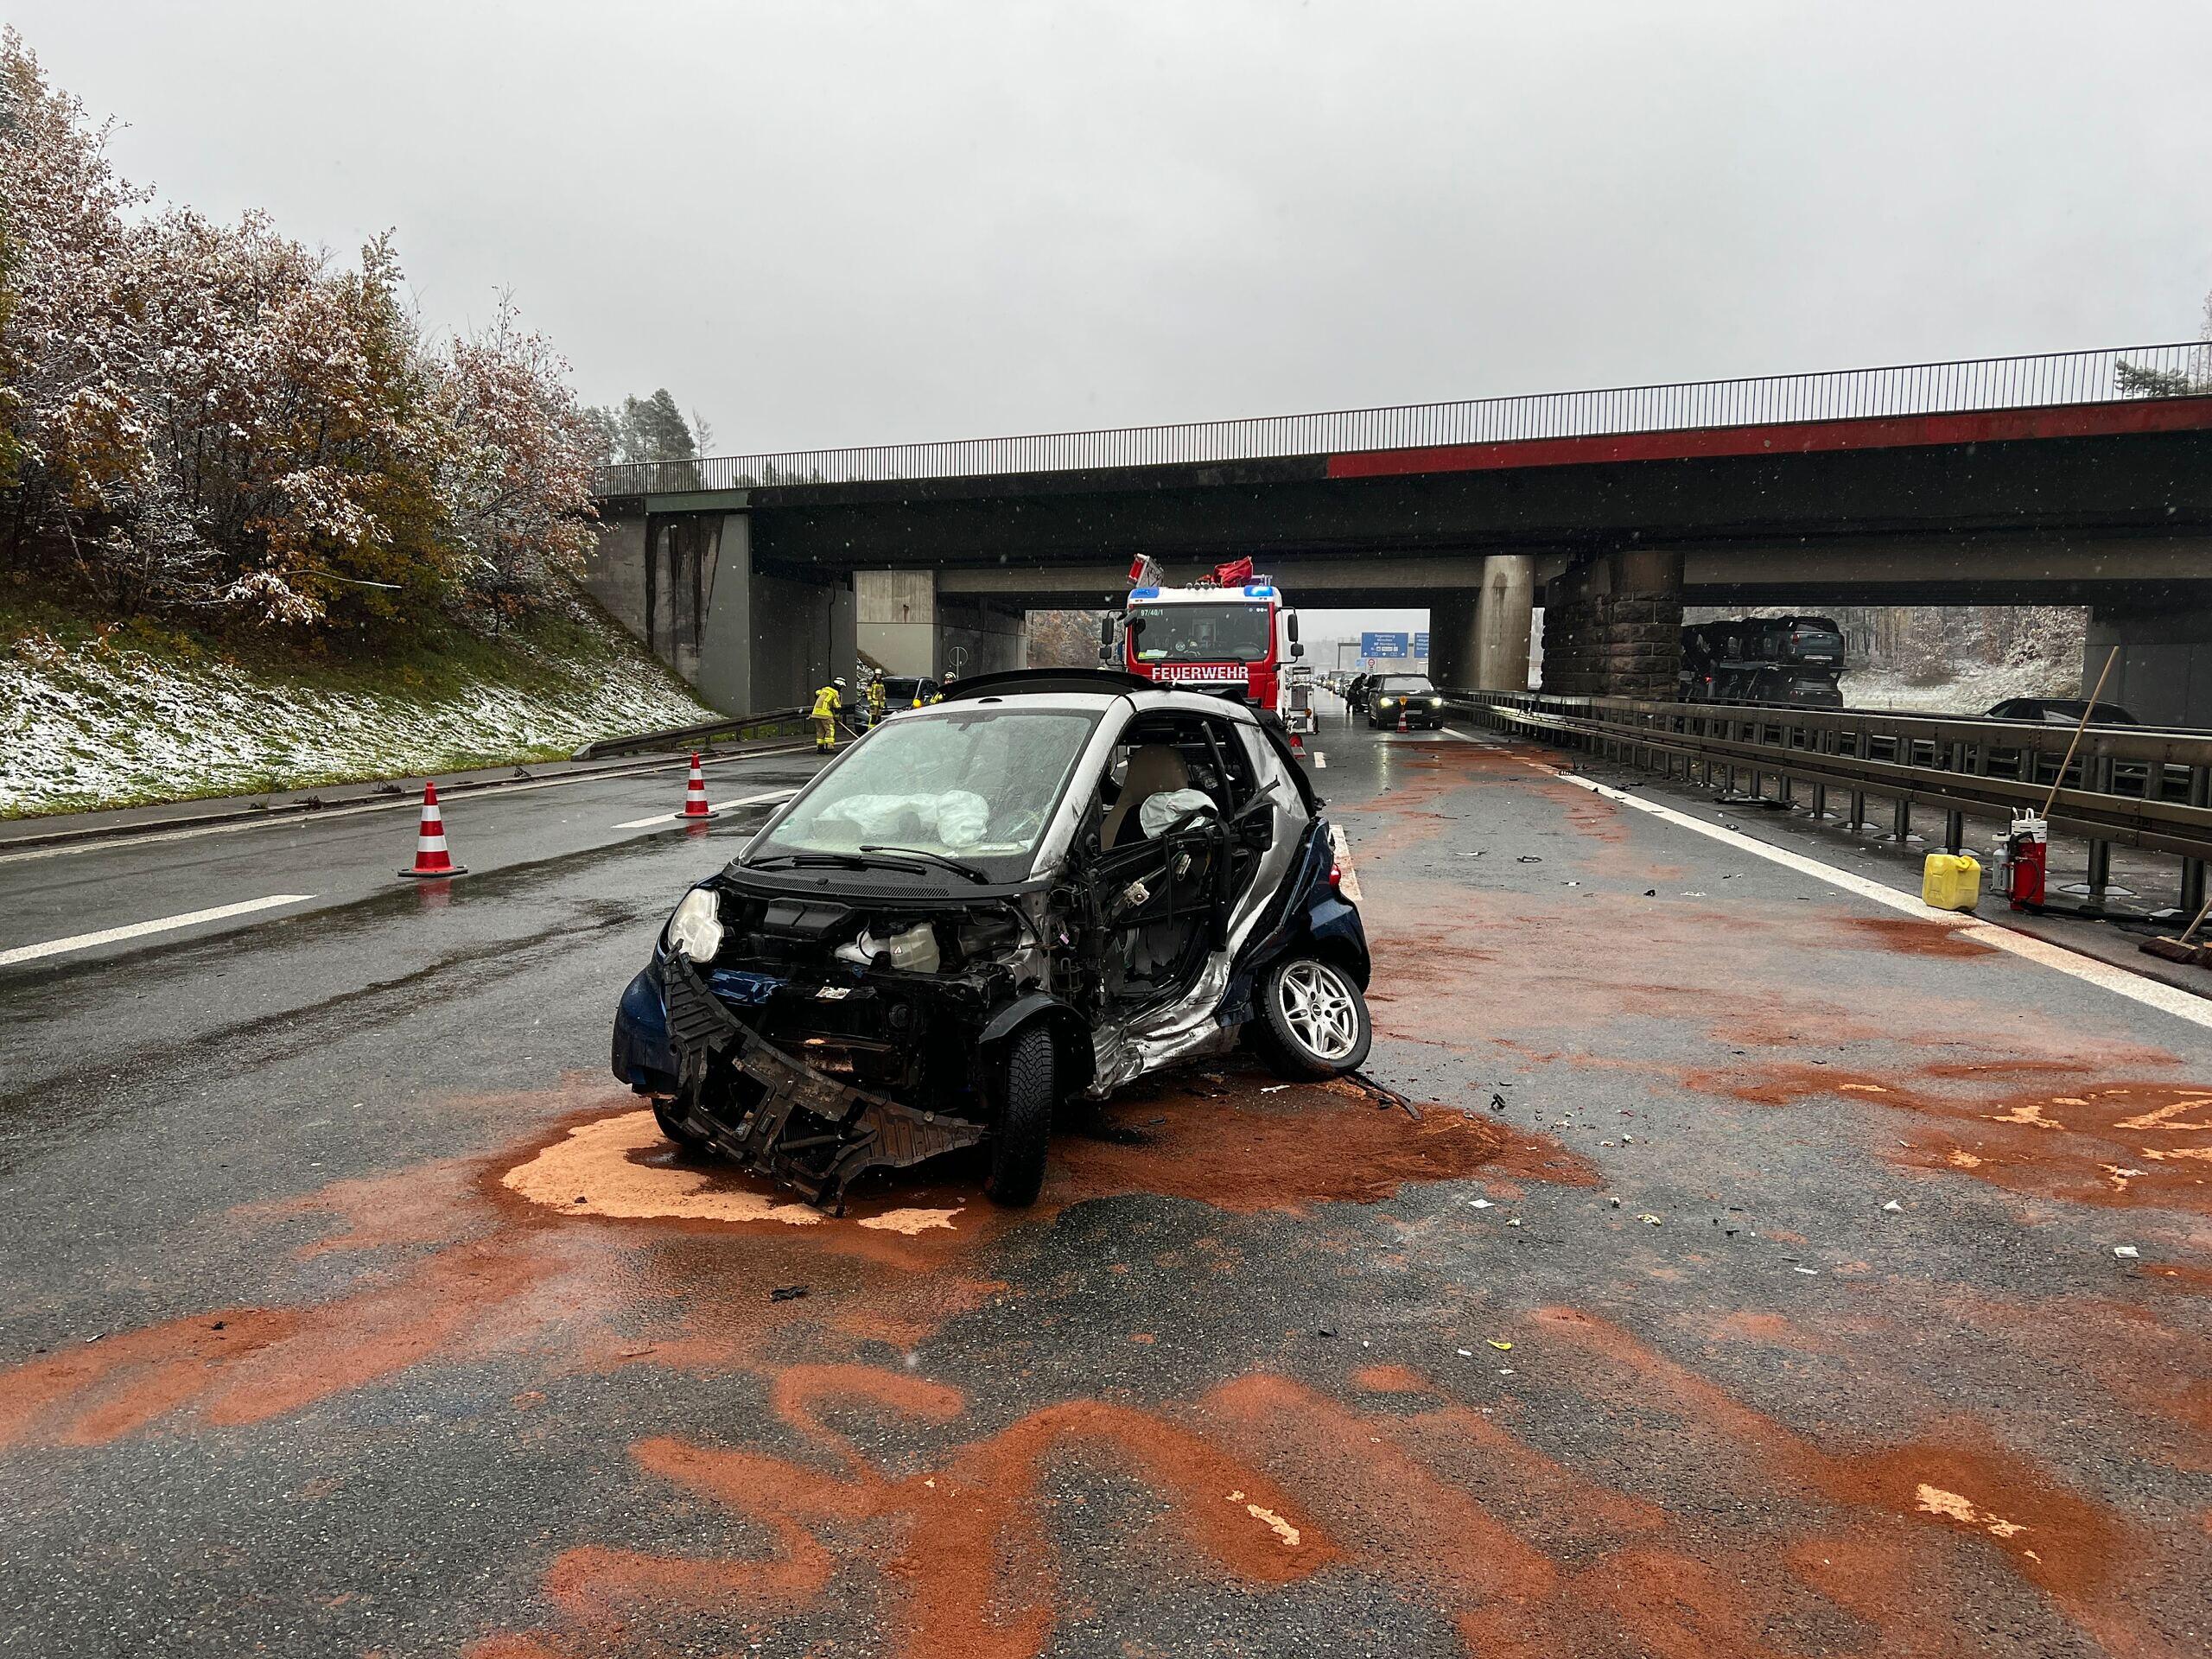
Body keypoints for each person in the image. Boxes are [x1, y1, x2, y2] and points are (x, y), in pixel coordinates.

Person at [810, 677, 846, 753]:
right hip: (825, 713)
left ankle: (820, 748)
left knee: (820, 731)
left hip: (816, 713)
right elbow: (837, 707)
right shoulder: (835, 693)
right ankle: (828, 746)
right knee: (829, 729)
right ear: (839, 686)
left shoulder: (824, 689)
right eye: (842, 687)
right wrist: (837, 717)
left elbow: (817, 693)